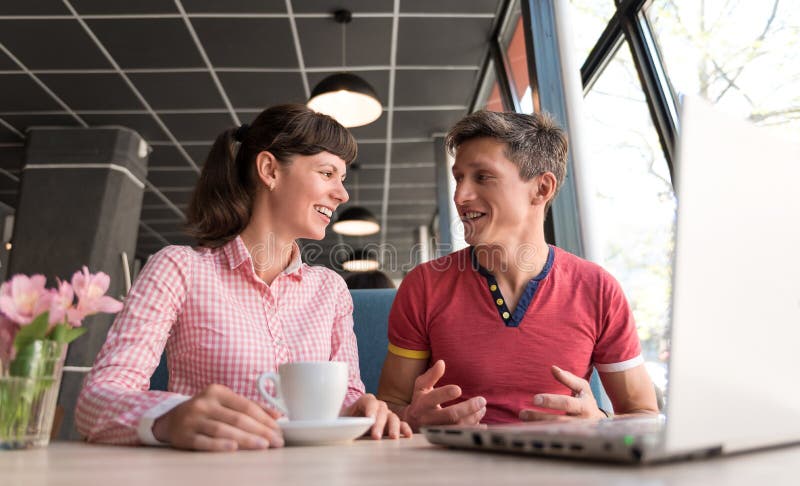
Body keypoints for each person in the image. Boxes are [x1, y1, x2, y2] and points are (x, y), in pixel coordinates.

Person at [76, 104, 411, 451]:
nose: (342, 194)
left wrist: (362, 408)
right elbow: (96, 402)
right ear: (269, 170)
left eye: (342, 178)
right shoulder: (179, 269)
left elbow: (348, 395)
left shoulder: (330, 289)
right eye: (327, 173)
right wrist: (168, 417)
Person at [377, 111, 658, 431]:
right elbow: (389, 406)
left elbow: (644, 416)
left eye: (482, 177)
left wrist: (600, 423)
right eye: (459, 178)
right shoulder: (424, 285)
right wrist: (411, 418)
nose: (460, 196)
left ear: (541, 188)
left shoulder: (597, 289)